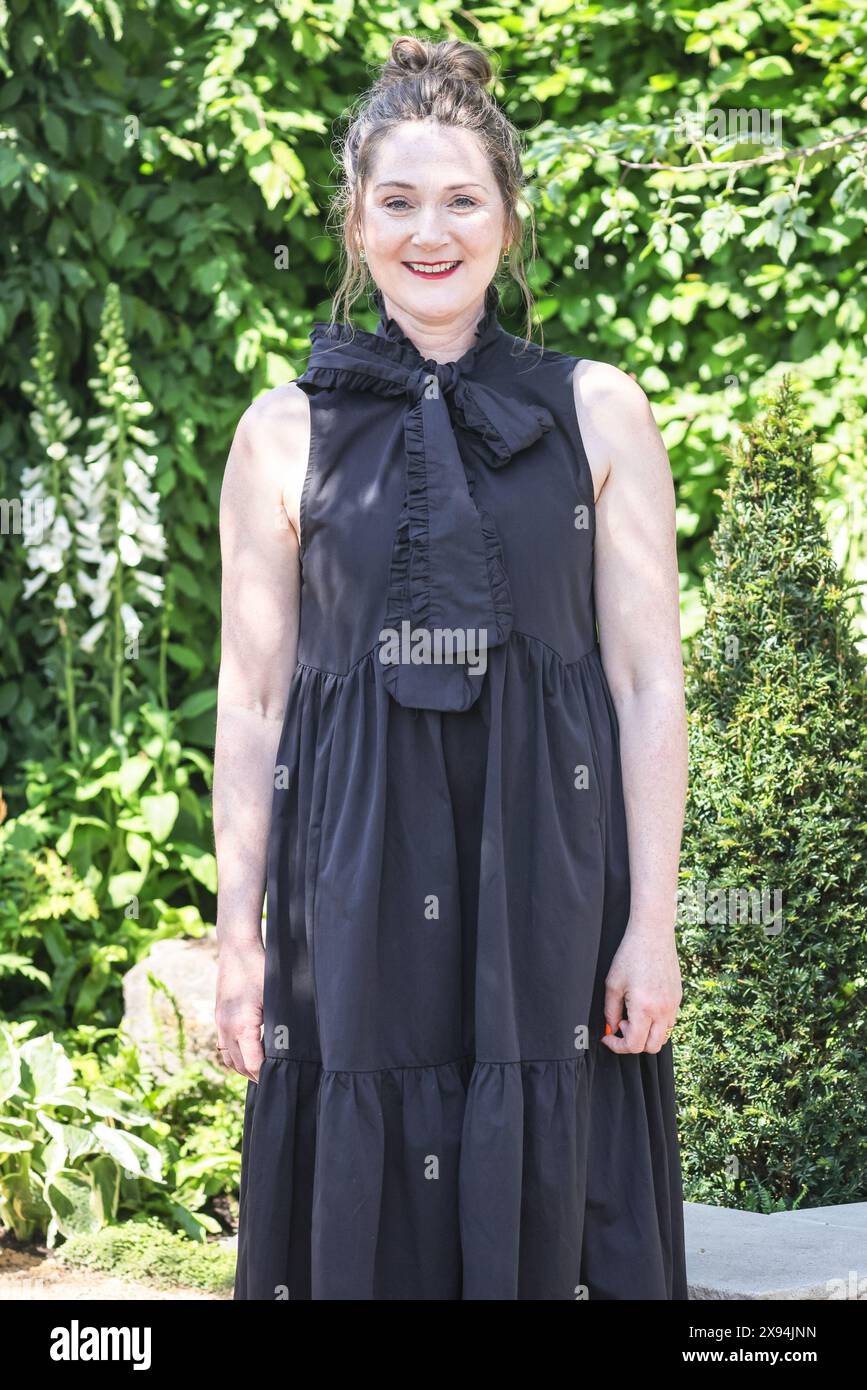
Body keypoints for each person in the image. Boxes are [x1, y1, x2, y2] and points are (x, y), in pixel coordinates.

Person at [214, 34, 689, 1301]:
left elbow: (648, 684)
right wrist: (236, 936)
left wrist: (653, 925)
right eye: (400, 201)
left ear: (510, 220)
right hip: (354, 881)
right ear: (356, 224)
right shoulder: (278, 432)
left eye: (463, 198)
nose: (433, 230)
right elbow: (254, 702)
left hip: (549, 870)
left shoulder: (603, 409)